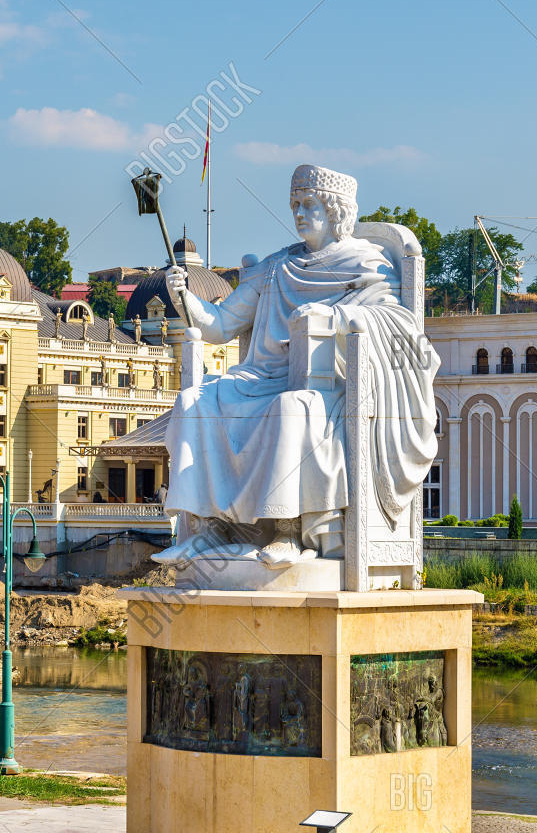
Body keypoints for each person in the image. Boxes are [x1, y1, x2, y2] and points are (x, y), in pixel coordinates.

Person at [154, 163, 439, 569]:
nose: (299, 214)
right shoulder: (276, 267)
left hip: (328, 384)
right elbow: (219, 325)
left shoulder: (366, 265)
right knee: (194, 402)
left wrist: (335, 318)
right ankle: (207, 530)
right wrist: (183, 296)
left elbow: (400, 326)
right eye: (295, 206)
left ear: (336, 211)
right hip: (259, 378)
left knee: (290, 407)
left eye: (308, 204)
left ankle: (287, 532)